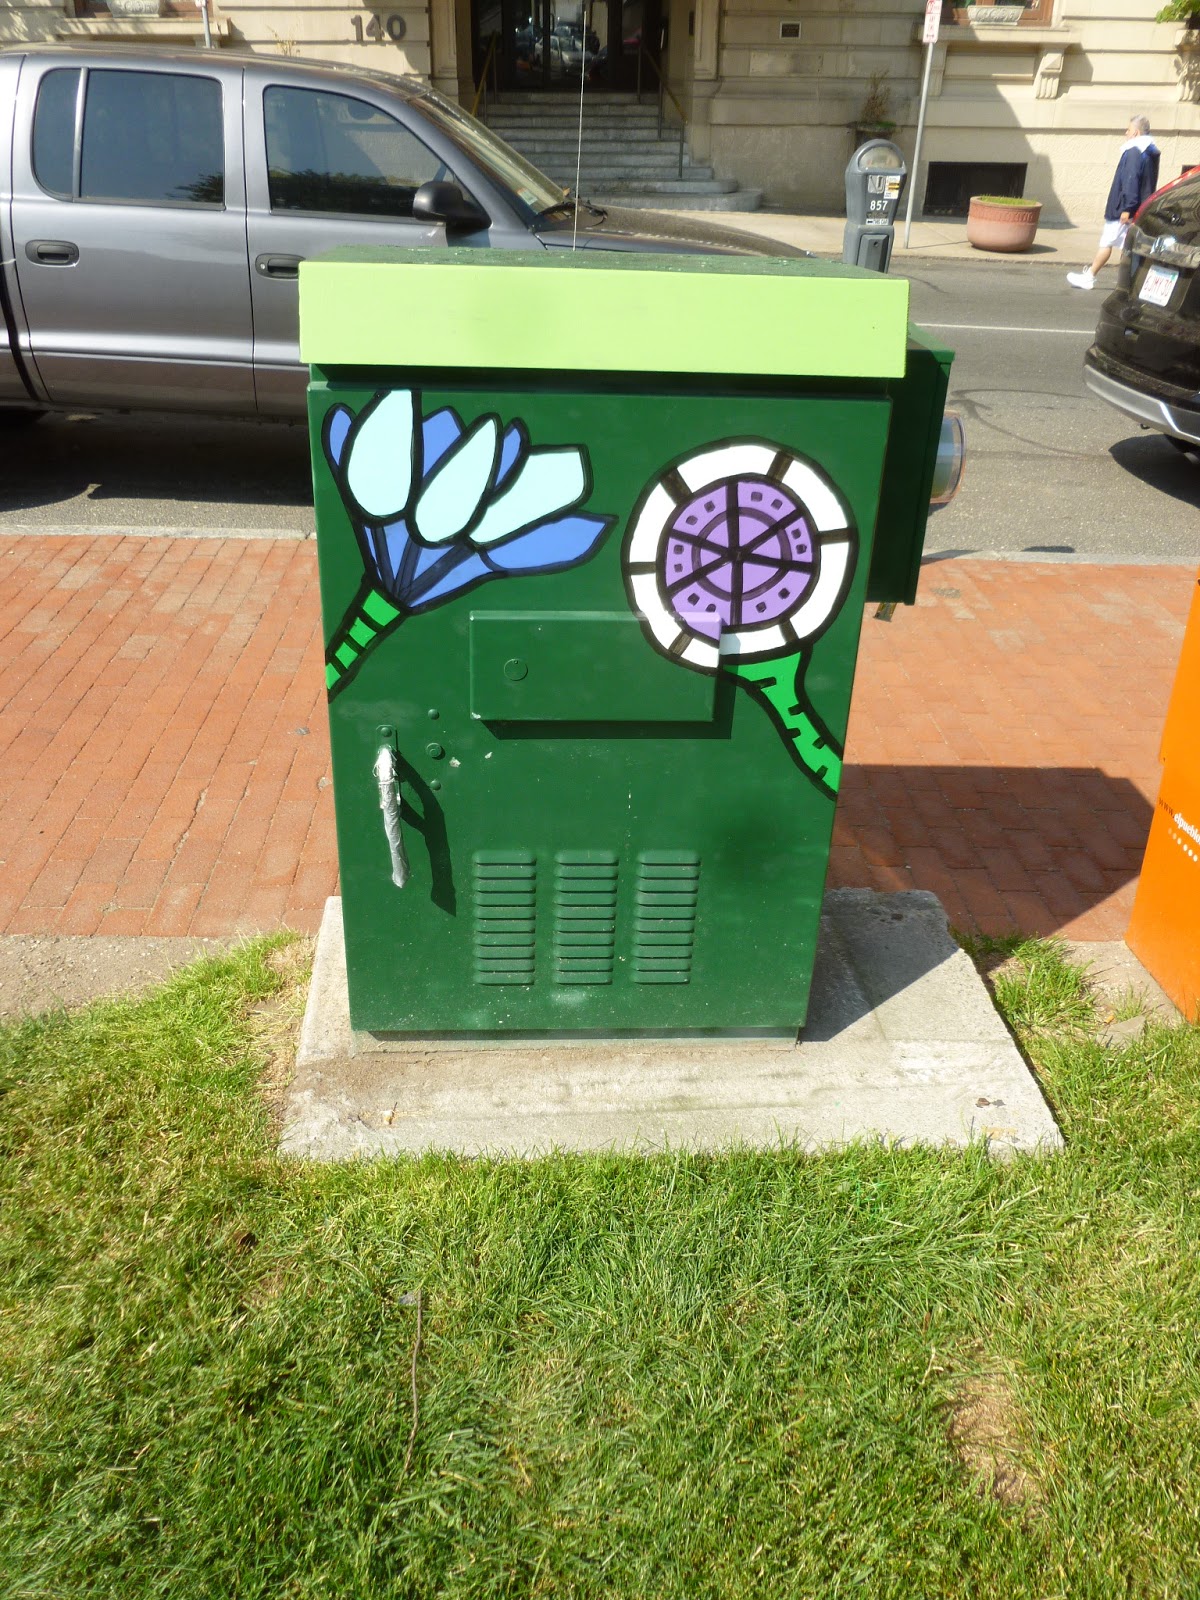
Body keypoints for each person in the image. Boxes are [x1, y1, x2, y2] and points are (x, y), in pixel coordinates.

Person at [1067, 116, 1160, 291]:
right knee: (1131, 248)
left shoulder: (1134, 152)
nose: (1126, 133)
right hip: (1136, 207)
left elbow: (1130, 181)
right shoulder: (1148, 151)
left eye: (1128, 130)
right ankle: (1138, 283)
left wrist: (1127, 208)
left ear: (1135, 132)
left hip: (1123, 209)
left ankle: (1090, 276)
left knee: (1108, 242)